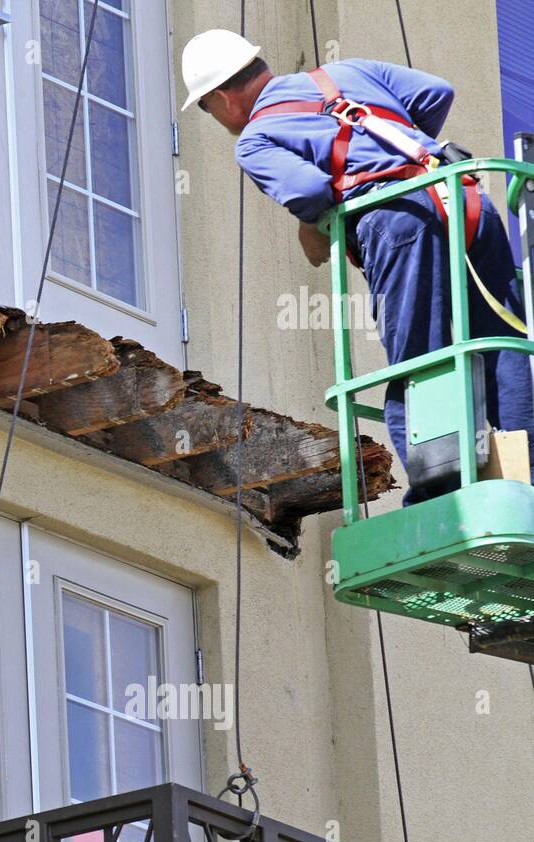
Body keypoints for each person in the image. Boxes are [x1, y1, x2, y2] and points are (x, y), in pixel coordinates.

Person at [182, 30, 534, 504]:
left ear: (221, 98)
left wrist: (313, 226)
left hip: (398, 219)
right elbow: (436, 92)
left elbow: (308, 191)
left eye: (206, 109)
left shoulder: (256, 138)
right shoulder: (343, 74)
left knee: (417, 358)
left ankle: (438, 497)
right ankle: (527, 467)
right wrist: (402, 152)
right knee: (499, 340)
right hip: (464, 197)